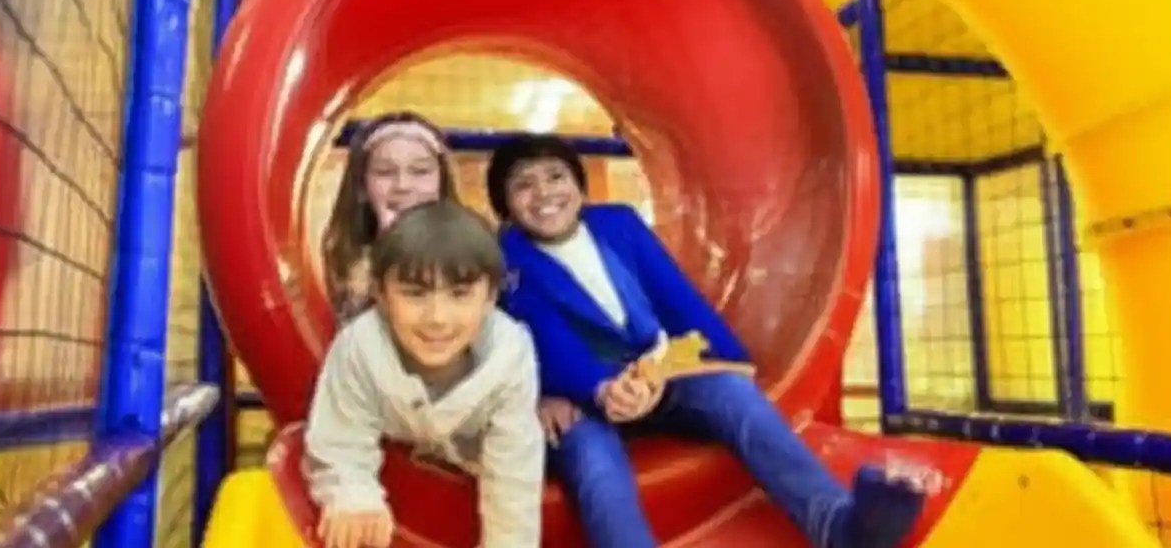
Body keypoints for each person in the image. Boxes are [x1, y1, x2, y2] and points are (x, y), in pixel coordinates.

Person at [485, 134, 937, 548]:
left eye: (556, 176)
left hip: (655, 372)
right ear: (505, 205)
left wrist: (721, 361)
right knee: (593, 460)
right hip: (578, 397)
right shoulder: (507, 259)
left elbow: (675, 296)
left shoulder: (618, 224)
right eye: (523, 185)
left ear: (579, 185)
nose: (544, 193)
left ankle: (838, 526)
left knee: (733, 394)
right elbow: (542, 334)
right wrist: (595, 389)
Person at [304, 201, 545, 548]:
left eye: (460, 295)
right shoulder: (360, 346)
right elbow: (340, 439)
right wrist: (354, 495)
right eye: (415, 294)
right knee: (348, 518)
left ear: (491, 297)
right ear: (381, 296)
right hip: (402, 478)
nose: (437, 318)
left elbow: (514, 475)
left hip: (471, 469)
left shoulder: (509, 354)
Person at [321, 111, 456, 326]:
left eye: (420, 171)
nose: (402, 186)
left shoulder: (469, 252)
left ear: (441, 184)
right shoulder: (347, 260)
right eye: (384, 172)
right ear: (362, 188)